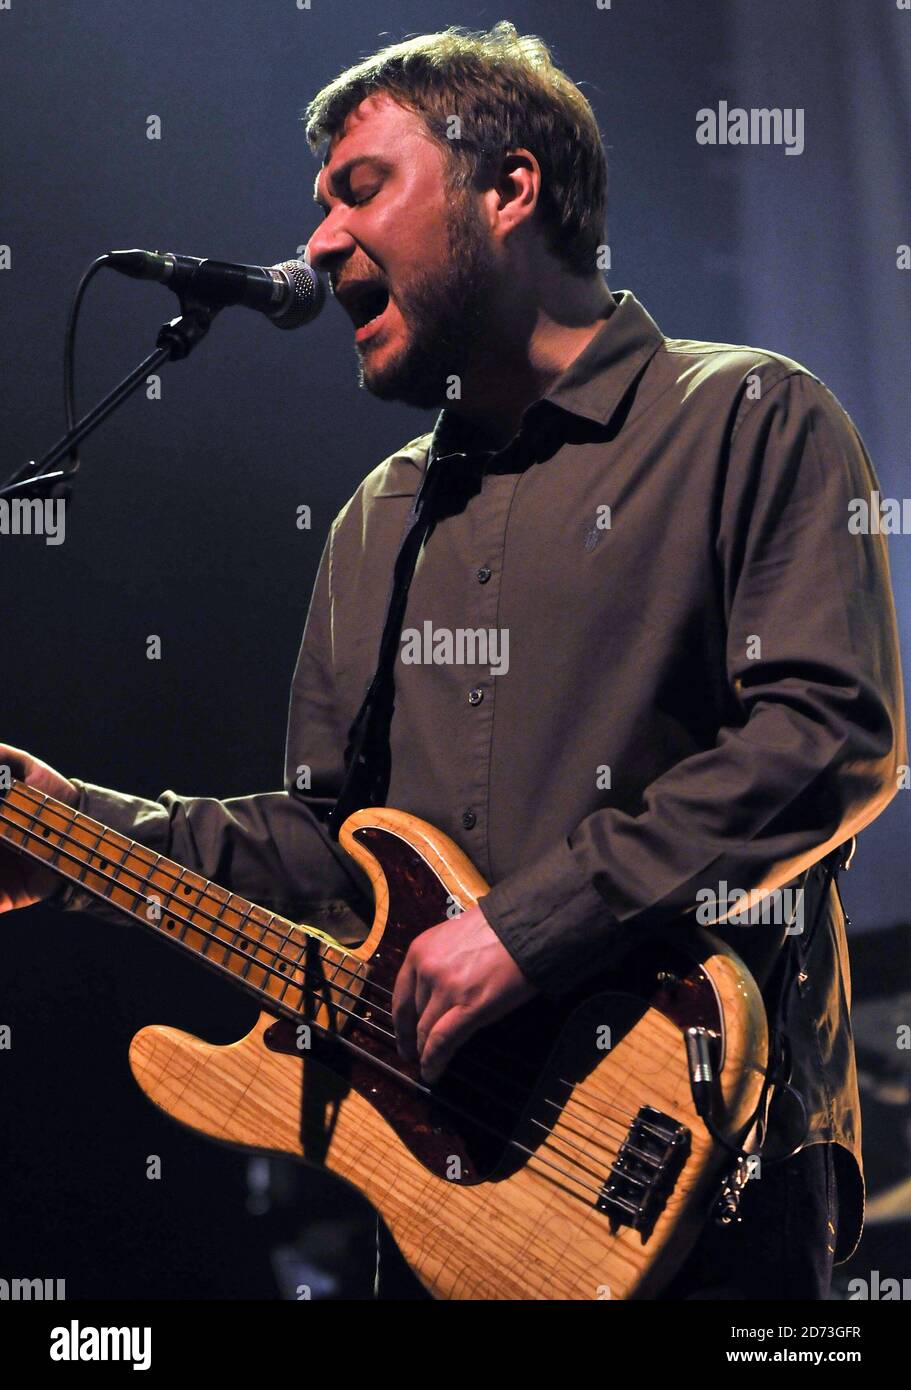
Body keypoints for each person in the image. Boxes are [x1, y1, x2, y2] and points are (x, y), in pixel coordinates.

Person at [0, 22, 906, 1300]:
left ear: (510, 186)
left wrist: (523, 932)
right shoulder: (379, 512)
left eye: (359, 188)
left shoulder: (748, 415)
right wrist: (76, 833)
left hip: (696, 1180)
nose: (315, 245)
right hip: (437, 1208)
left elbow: (827, 739)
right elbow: (330, 848)